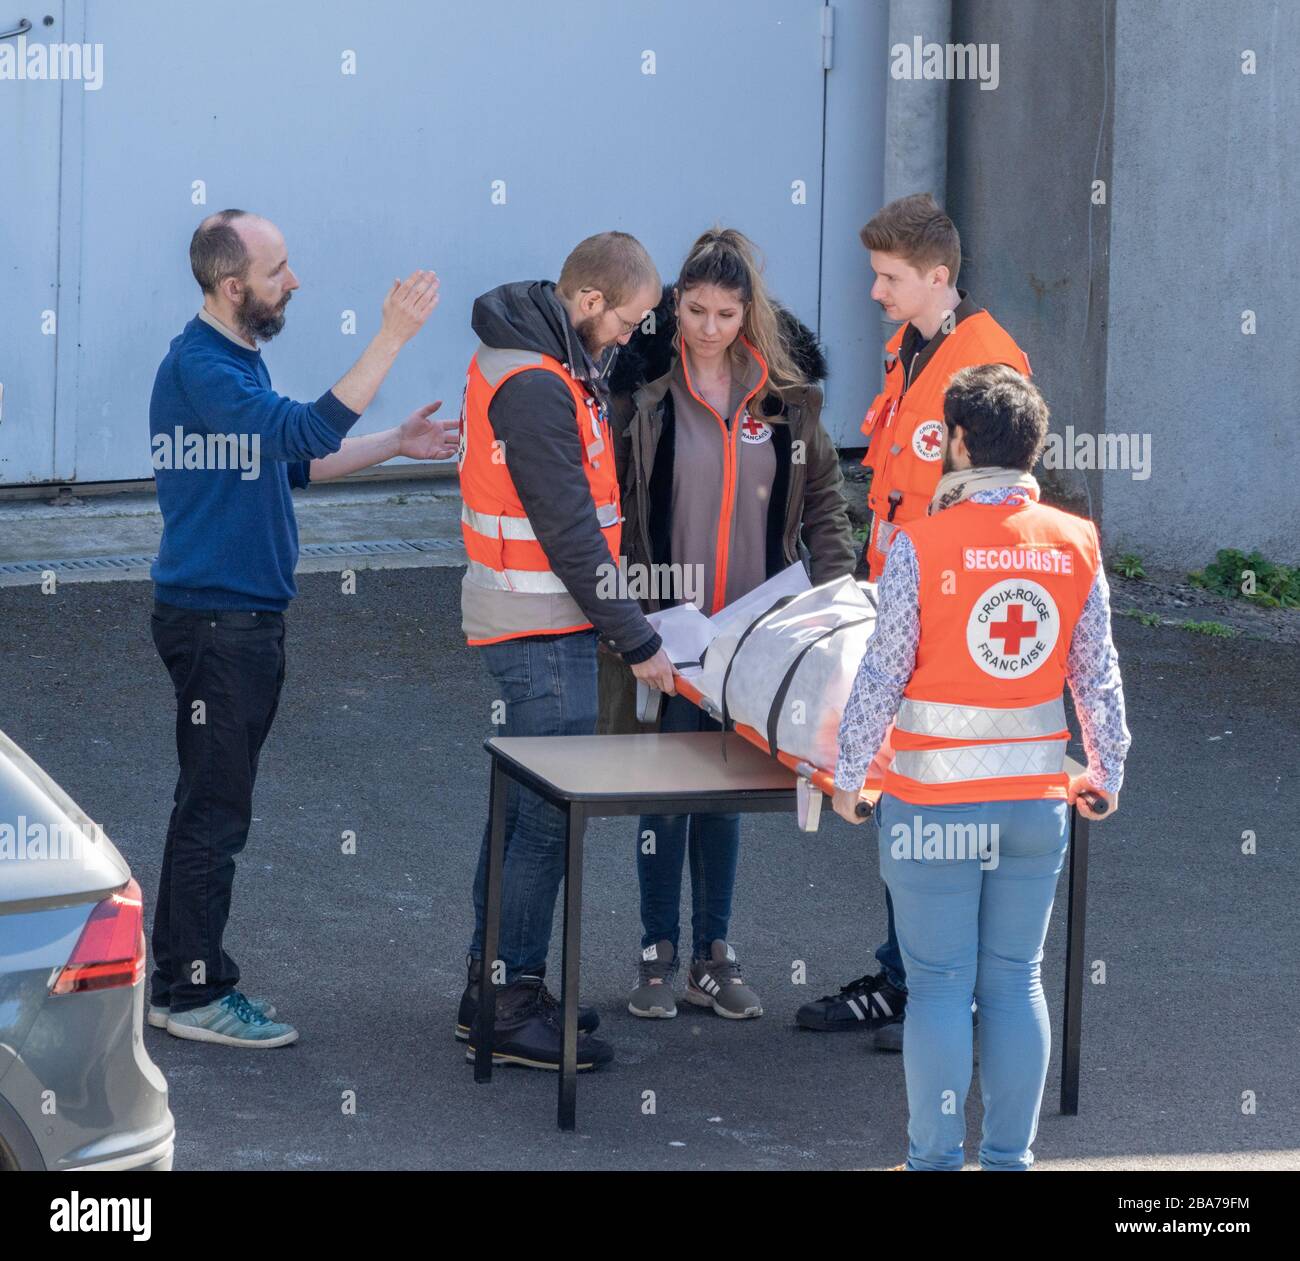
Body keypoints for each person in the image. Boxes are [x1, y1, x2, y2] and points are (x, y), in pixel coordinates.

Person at [150, 209, 455, 1048]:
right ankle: (195, 993)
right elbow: (307, 430)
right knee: (216, 811)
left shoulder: (230, 362)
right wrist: (391, 337)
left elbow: (296, 461)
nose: (295, 280)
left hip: (230, 619)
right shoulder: (204, 369)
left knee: (204, 805)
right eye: (279, 268)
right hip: (220, 625)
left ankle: (176, 977)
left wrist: (397, 441)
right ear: (231, 284)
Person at [832, 363, 1130, 1171]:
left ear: (959, 442)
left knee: (937, 989)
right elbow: (1094, 673)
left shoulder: (922, 545)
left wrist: (850, 776)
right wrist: (1105, 772)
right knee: (1015, 982)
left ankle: (933, 1162)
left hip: (932, 808)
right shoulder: (1075, 541)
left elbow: (882, 673)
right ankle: (1008, 1160)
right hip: (1035, 807)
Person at [599, 228, 856, 1020]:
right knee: (664, 793)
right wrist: (626, 613)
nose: (708, 326)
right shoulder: (641, 396)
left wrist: (839, 609)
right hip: (668, 632)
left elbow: (824, 510)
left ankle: (714, 954)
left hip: (757, 637)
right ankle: (655, 956)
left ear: (750, 312)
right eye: (696, 309)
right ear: (675, 305)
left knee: (723, 793)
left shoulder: (787, 401)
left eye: (725, 311)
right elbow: (607, 508)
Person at [797, 192, 1033, 1047]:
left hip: (951, 624)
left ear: (939, 278)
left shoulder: (985, 370)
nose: (874, 292)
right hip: (908, 608)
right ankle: (910, 979)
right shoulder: (917, 351)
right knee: (907, 801)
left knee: (941, 807)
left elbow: (995, 512)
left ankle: (938, 989)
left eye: (889, 277)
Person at [456, 232, 675, 1071]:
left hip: (538, 622)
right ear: (586, 302)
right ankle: (510, 1006)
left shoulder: (535, 364)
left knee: (517, 817)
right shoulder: (539, 385)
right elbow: (572, 534)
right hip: (541, 626)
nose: (628, 336)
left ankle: (493, 991)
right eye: (625, 320)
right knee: (545, 824)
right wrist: (639, 640)